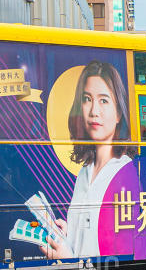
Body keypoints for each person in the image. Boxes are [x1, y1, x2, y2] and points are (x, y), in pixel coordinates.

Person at [46, 61, 132, 259]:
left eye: (103, 101)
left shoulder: (124, 173)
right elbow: (89, 236)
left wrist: (66, 256)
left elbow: (115, 247)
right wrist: (67, 233)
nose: (94, 111)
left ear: (118, 112)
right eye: (87, 99)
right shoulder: (85, 172)